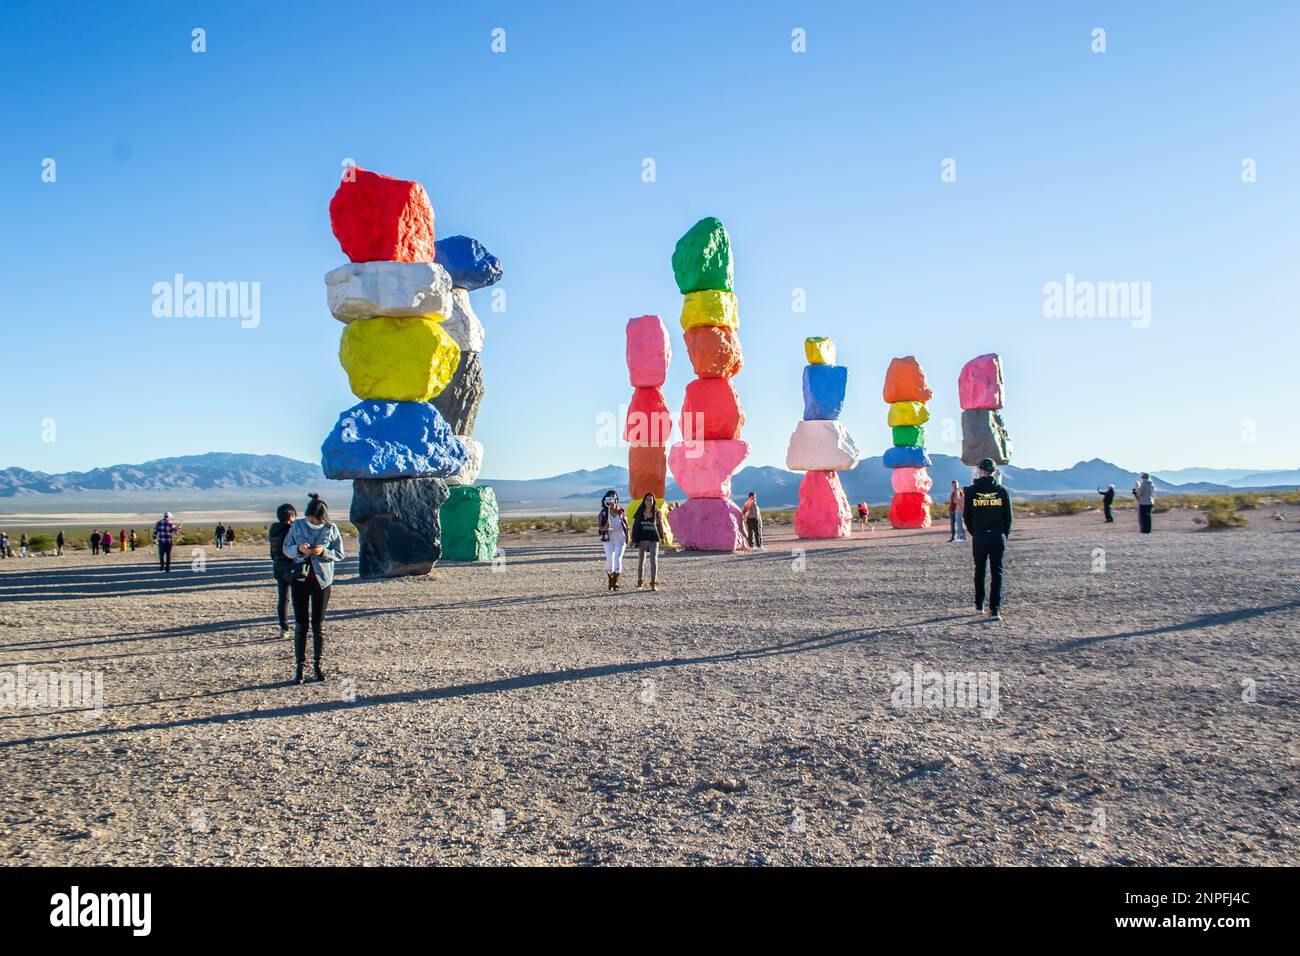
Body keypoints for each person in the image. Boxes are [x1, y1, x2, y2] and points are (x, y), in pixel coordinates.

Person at [281, 493, 345, 685]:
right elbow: (286, 548)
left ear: (322, 518)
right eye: (310, 518)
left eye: (316, 520)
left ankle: (318, 665)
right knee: (301, 624)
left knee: (318, 624)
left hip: (322, 581)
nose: (312, 522)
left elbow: (340, 553)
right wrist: (299, 549)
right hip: (300, 580)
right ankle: (300, 666)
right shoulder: (297, 525)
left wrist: (323, 552)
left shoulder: (331, 528)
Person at [963, 458, 1013, 622]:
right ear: (994, 472)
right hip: (997, 536)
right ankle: (995, 610)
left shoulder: (971, 491)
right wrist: (1003, 534)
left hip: (980, 536)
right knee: (997, 572)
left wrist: (975, 532)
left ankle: (979, 605)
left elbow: (967, 517)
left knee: (980, 570)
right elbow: (1008, 518)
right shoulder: (1002, 491)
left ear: (980, 471)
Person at [268, 503, 298, 639]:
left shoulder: (273, 530)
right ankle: (300, 625)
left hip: (278, 566)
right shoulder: (291, 530)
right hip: (291, 567)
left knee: (283, 599)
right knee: (298, 597)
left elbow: (273, 551)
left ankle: (284, 627)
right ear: (291, 515)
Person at [630, 492, 665, 591]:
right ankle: (640, 582)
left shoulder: (656, 513)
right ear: (644, 501)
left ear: (653, 501)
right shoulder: (640, 513)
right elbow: (635, 527)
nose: (649, 501)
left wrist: (662, 536)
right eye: (647, 499)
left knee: (654, 561)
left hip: (654, 539)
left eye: (651, 499)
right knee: (641, 561)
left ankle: (653, 583)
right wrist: (634, 540)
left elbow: (660, 526)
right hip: (642, 540)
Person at [596, 489, 629, 590]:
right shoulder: (604, 513)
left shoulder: (621, 512)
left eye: (614, 498)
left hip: (620, 539)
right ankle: (610, 578)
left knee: (617, 559)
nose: (612, 500)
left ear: (616, 499)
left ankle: (616, 582)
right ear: (607, 500)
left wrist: (628, 536)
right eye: (609, 498)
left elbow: (626, 525)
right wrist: (604, 527)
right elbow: (600, 529)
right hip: (609, 540)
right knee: (610, 560)